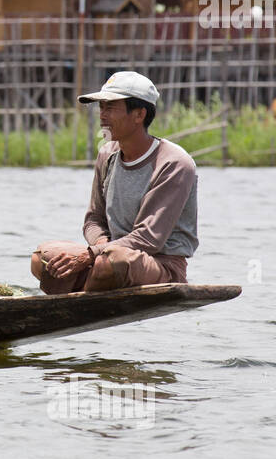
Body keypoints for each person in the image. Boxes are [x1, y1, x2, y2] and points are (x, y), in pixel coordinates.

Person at [31, 71, 198, 294]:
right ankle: (88, 286)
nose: (102, 116)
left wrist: (92, 255)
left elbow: (148, 239)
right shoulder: (107, 154)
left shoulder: (174, 163)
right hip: (110, 254)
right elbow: (93, 220)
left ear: (139, 114)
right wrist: (98, 248)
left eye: (110, 107)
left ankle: (81, 300)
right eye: (101, 108)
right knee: (41, 258)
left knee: (107, 263)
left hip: (161, 264)